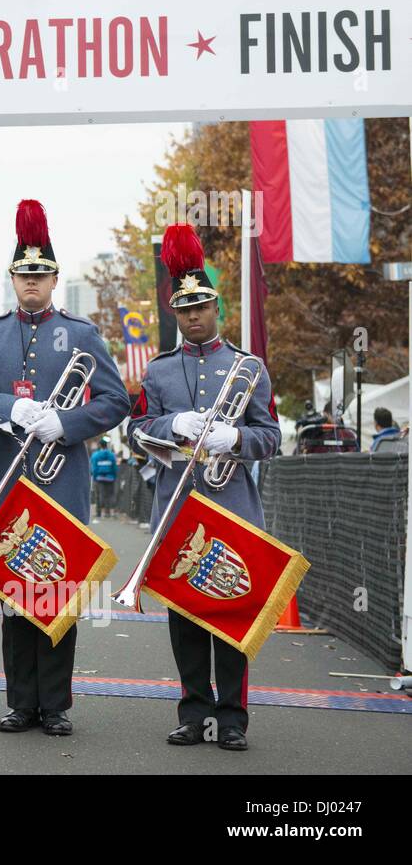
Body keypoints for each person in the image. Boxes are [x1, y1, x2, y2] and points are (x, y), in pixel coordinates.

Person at [0, 199, 129, 736]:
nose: (32, 281)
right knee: (13, 596)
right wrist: (9, 409)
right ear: (12, 277)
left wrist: (67, 424)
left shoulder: (82, 333)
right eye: (24, 273)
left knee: (56, 596)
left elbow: (116, 401)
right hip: (9, 487)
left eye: (41, 274)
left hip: (63, 486)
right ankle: (20, 702)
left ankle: (55, 705)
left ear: (55, 279)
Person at [128, 222, 280, 752]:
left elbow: (271, 437)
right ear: (175, 312)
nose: (194, 316)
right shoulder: (160, 370)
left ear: (216, 308)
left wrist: (234, 434)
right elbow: (136, 429)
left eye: (202, 307)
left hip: (233, 507)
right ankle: (194, 712)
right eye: (184, 309)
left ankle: (232, 719)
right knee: (186, 616)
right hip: (179, 508)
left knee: (232, 611)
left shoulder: (248, 367)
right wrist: (173, 428)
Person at [90, 437, 119, 520]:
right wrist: (114, 476)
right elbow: (114, 467)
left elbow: (94, 468)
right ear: (106, 445)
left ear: (100, 445)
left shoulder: (95, 455)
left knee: (98, 495)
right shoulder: (111, 455)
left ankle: (98, 513)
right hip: (110, 478)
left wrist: (95, 477)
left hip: (99, 478)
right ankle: (108, 512)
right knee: (109, 495)